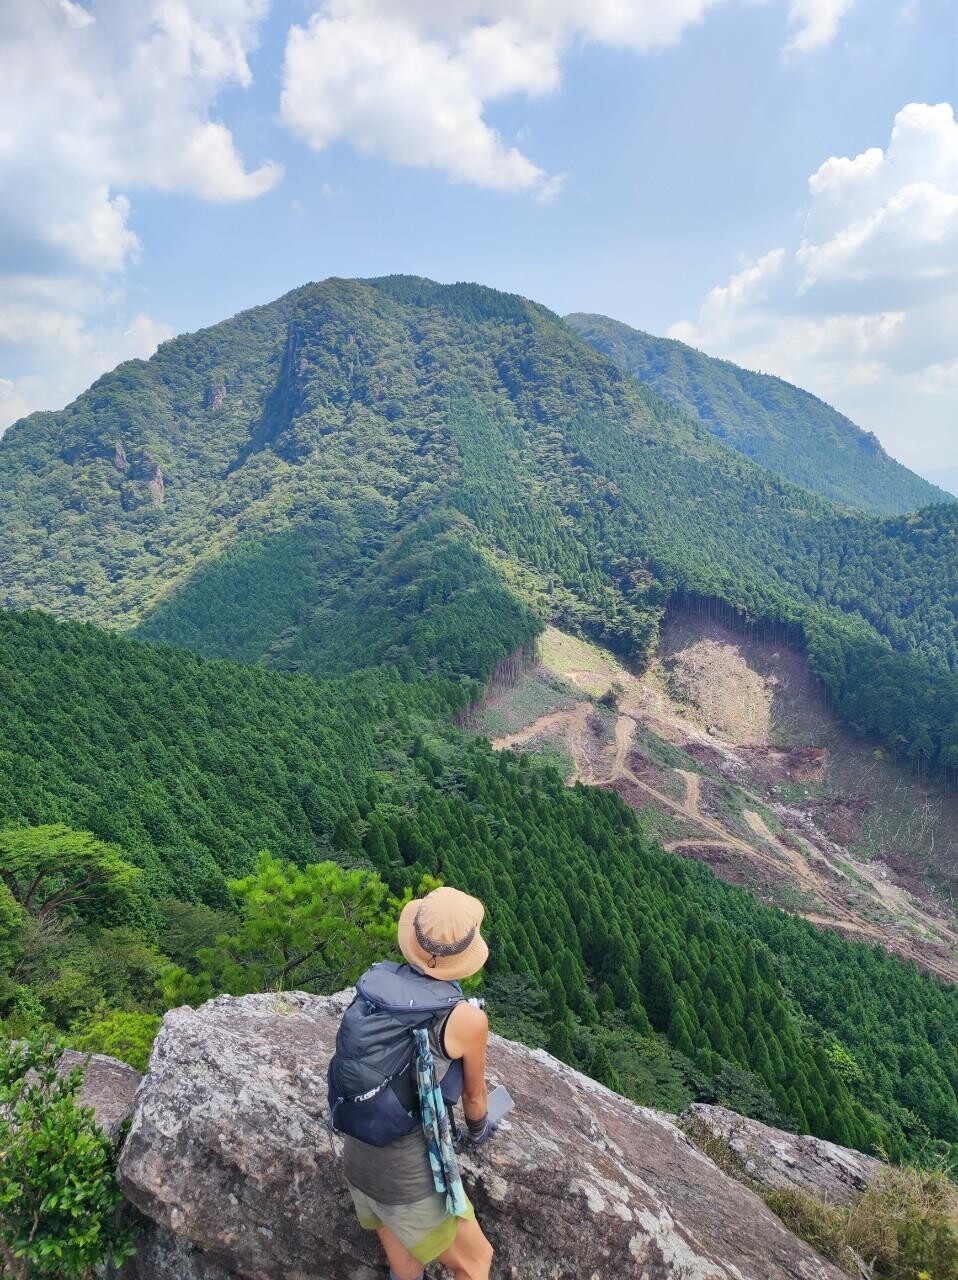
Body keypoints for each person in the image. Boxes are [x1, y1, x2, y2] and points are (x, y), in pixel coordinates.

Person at [329, 886, 496, 1280]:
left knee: (405, 1271)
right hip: (407, 1180)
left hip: (360, 1162)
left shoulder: (375, 987)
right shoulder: (465, 1019)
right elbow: (474, 1097)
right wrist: (479, 1131)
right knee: (476, 1262)